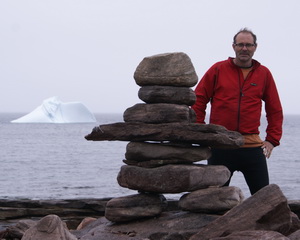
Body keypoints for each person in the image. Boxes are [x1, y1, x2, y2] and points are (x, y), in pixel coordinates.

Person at [192, 28, 283, 195]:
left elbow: (275, 109)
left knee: (264, 201)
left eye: (248, 45)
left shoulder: (264, 74)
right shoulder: (217, 70)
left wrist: (272, 140)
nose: (244, 48)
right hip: (221, 147)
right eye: (240, 44)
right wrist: (201, 134)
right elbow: (198, 101)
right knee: (213, 201)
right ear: (233, 46)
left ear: (255, 47)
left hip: (252, 148)